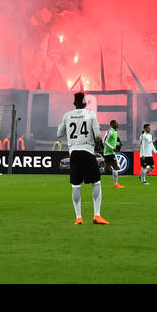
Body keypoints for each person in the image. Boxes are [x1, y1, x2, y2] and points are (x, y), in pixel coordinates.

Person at [55, 91, 108, 225]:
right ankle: (97, 215)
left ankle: (79, 217)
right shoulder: (90, 115)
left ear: (74, 103)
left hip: (74, 154)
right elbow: (97, 135)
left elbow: (59, 134)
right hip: (87, 151)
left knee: (76, 186)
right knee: (96, 183)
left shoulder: (67, 116)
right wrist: (99, 146)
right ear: (85, 103)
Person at [103, 119, 123, 189]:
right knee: (116, 167)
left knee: (106, 169)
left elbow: (112, 142)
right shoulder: (110, 131)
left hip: (110, 152)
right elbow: (104, 141)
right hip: (109, 152)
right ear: (112, 124)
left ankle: (94, 172)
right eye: (116, 123)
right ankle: (116, 184)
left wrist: (118, 143)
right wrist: (112, 148)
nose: (117, 124)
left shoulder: (114, 132)